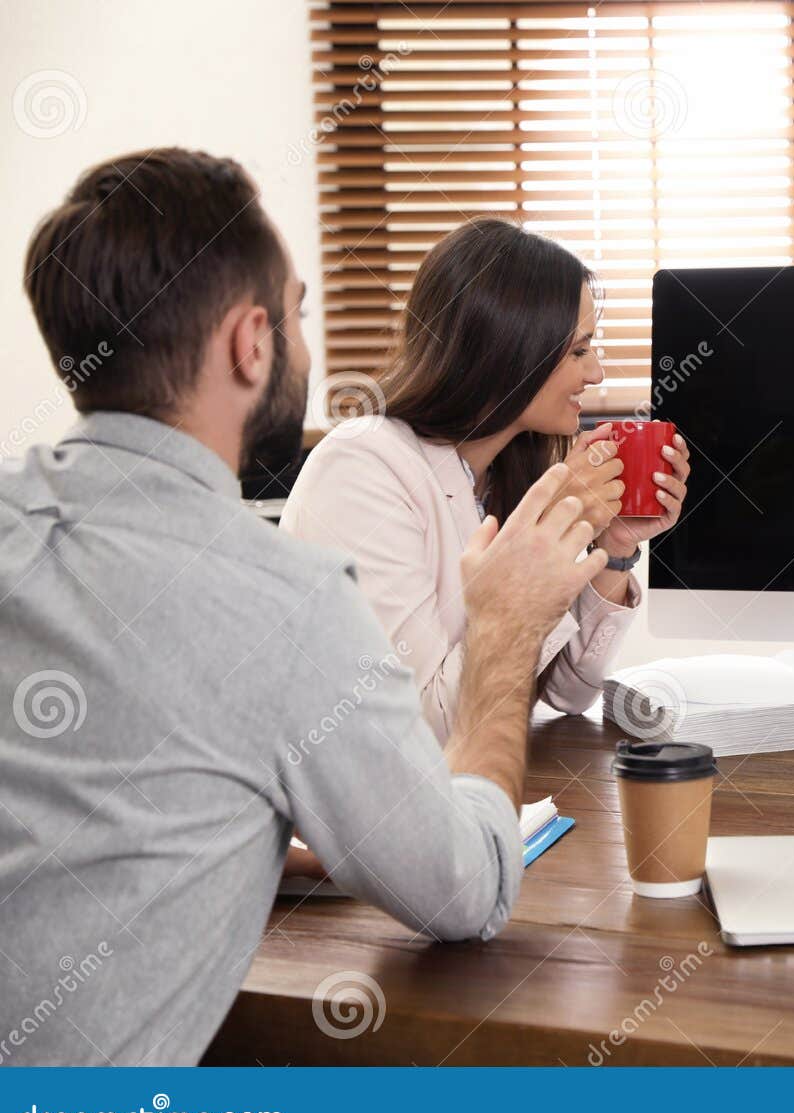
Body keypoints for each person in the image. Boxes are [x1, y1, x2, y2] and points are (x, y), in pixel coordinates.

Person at [0, 149, 608, 1065]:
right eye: (297, 311)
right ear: (252, 343)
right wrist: (505, 632)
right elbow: (469, 888)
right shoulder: (287, 599)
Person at [281, 219, 690, 743]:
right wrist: (555, 524)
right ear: (510, 350)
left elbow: (567, 693)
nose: (598, 374)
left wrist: (611, 548)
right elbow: (427, 728)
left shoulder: (504, 471)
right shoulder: (361, 466)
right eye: (579, 350)